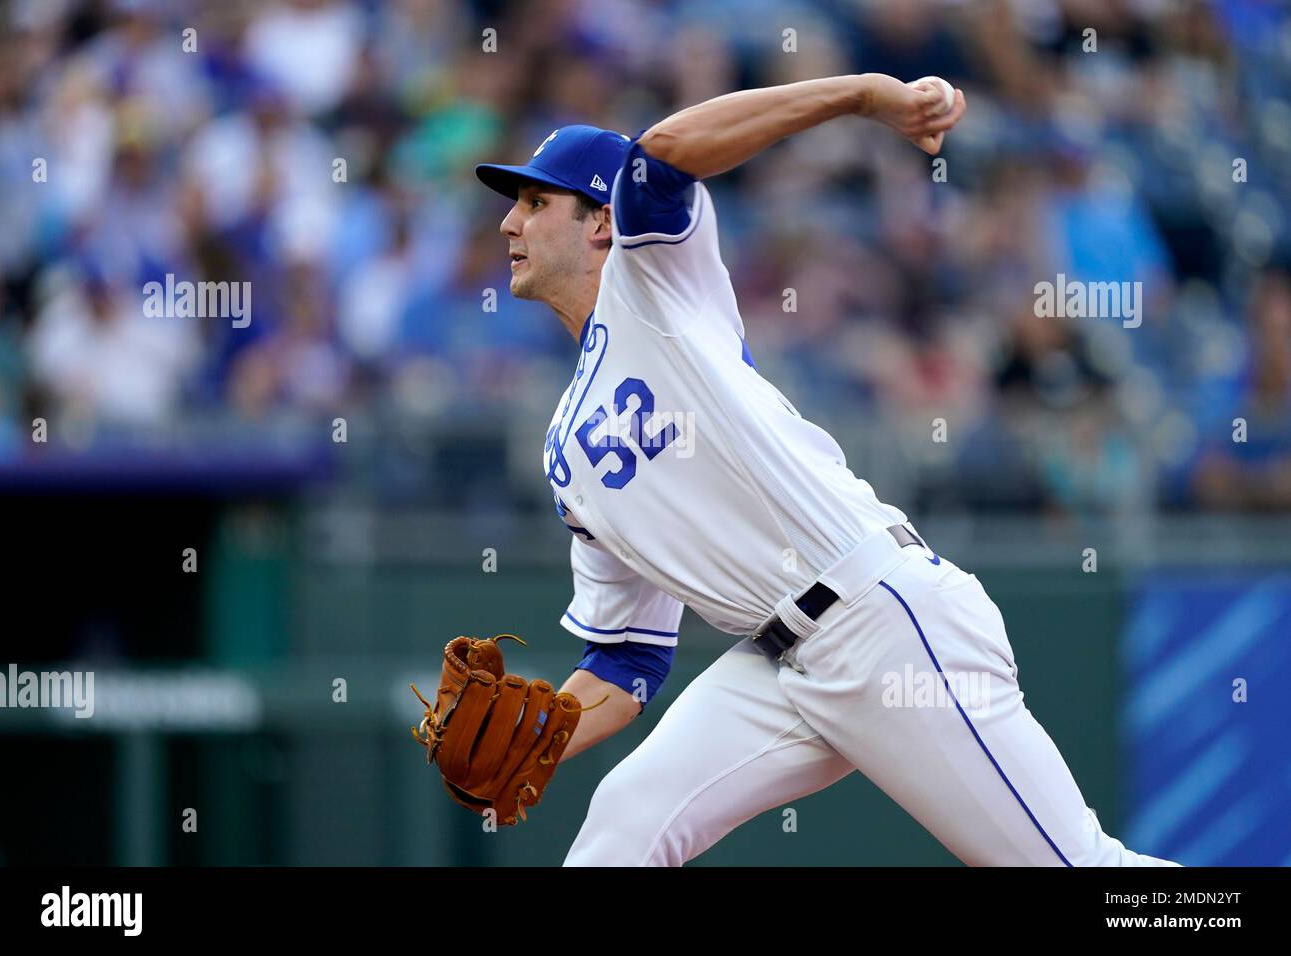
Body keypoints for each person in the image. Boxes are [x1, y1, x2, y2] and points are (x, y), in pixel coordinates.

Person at [473, 73, 1178, 866]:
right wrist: (534, 739)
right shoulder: (564, 450)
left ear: (601, 220)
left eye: (537, 203)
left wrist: (865, 96)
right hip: (777, 667)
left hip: (882, 618)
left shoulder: (657, 282)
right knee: (625, 825)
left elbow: (661, 157)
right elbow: (626, 657)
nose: (509, 222)